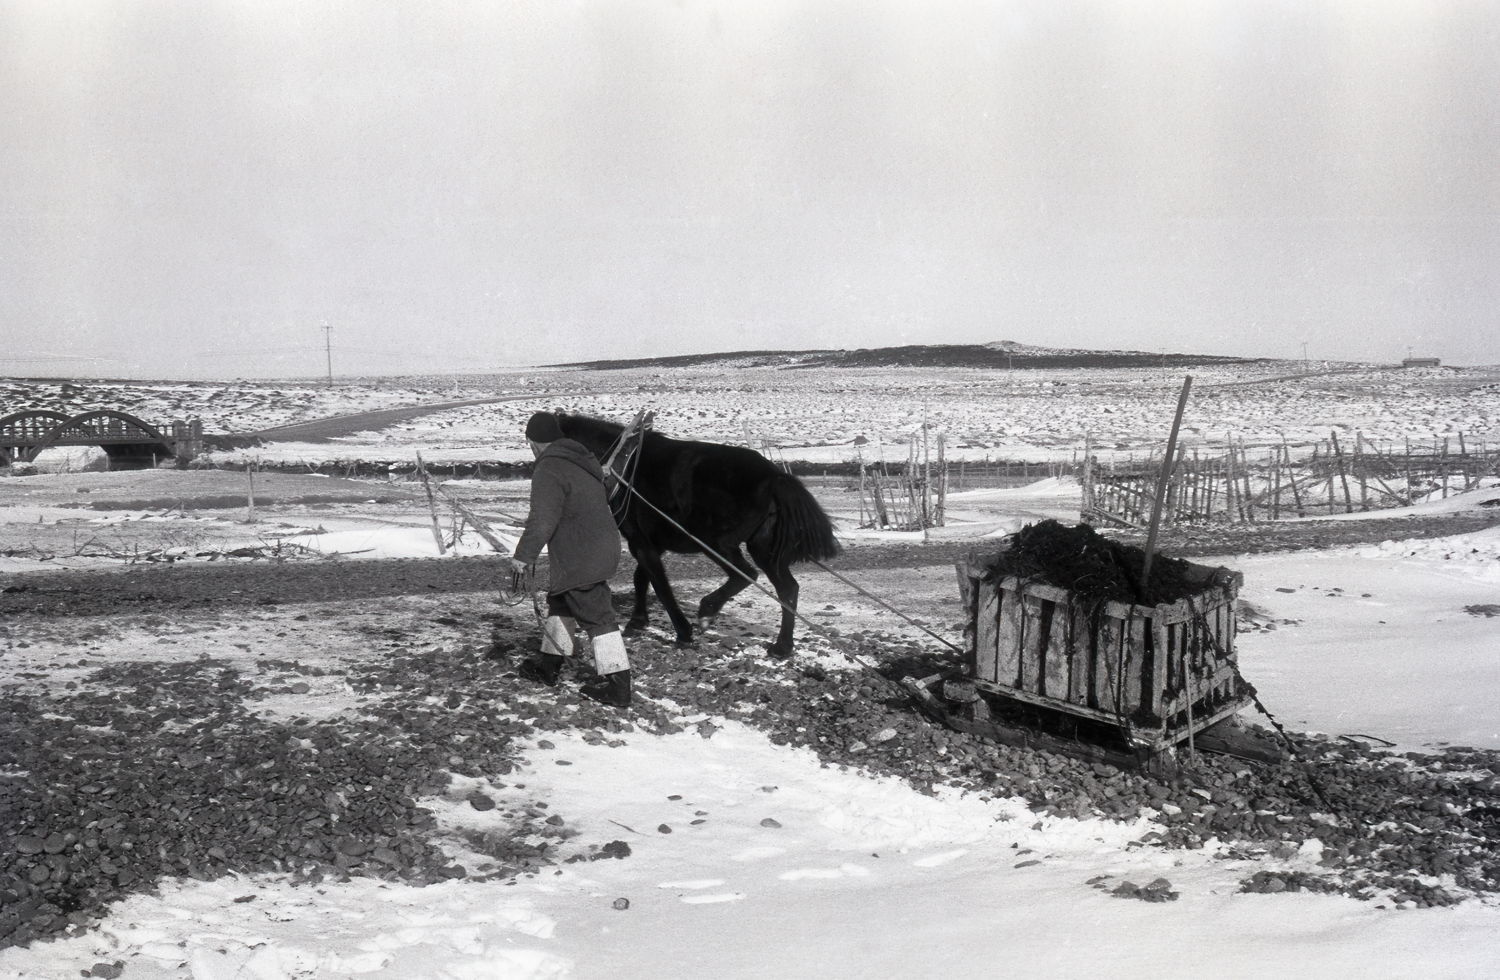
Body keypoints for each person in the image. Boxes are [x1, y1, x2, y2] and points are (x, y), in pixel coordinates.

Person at [509, 411, 632, 708]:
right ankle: (548, 668)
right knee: (561, 603)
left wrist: (523, 557)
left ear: (532, 442)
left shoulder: (549, 468)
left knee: (597, 616)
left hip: (582, 553)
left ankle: (619, 687)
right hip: (599, 547)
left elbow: (542, 520)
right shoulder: (581, 461)